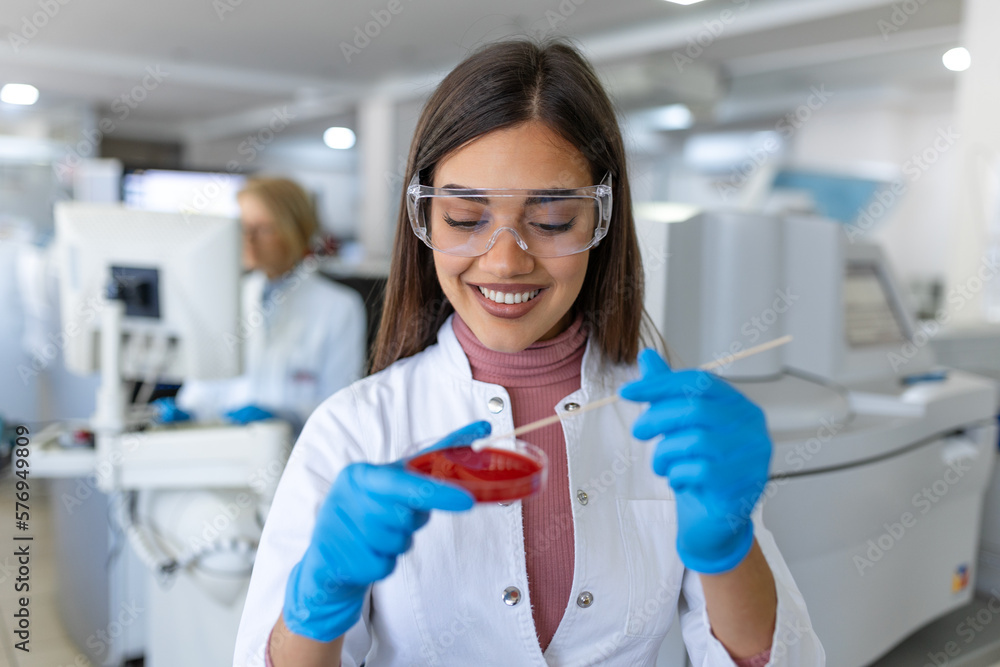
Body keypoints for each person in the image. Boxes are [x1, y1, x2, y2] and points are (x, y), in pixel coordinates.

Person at [234, 40, 824, 666]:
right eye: (465, 217)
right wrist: (320, 598)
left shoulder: (665, 428)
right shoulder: (354, 431)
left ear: (601, 222)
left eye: (551, 220)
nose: (506, 261)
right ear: (426, 222)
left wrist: (731, 547)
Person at [153, 177, 367, 435]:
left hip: (293, 456)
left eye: (264, 229)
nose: (249, 240)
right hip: (225, 450)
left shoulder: (339, 307)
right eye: (243, 227)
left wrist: (286, 418)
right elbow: (204, 389)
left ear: (296, 232)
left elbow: (339, 407)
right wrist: (186, 410)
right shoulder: (228, 298)